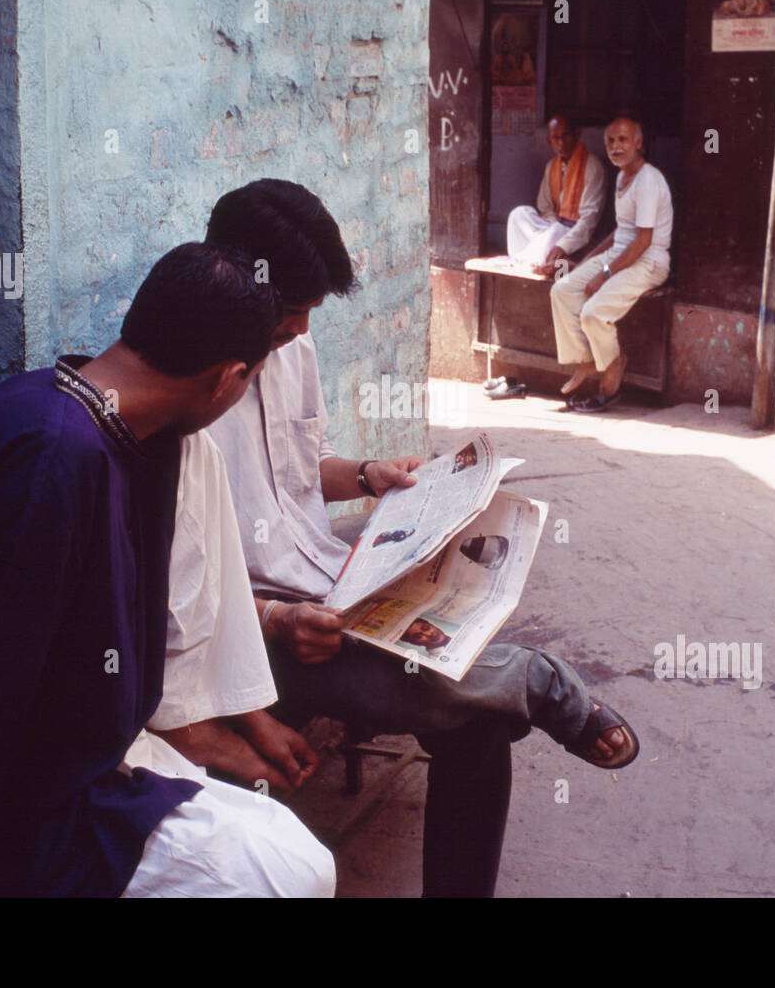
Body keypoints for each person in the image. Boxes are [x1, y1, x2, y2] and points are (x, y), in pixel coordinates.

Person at [0, 242, 333, 897]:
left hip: (72, 754)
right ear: (225, 379)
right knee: (281, 876)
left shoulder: (82, 412)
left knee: (295, 851)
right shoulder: (54, 458)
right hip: (6, 797)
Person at [202, 178, 640, 898]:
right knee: (484, 704)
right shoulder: (196, 384)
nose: (301, 334)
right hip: (265, 634)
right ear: (232, 283)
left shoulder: (290, 355)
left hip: (327, 582)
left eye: (308, 316)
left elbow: (300, 470)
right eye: (288, 317)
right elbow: (170, 596)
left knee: (474, 723)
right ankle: (536, 679)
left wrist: (373, 475)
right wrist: (274, 619)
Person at [549, 116, 673, 412]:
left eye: (624, 140)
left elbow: (643, 240)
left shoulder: (649, 179)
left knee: (593, 313)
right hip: (621, 255)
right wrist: (587, 262)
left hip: (648, 262)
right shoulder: (621, 176)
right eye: (611, 141)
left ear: (639, 143)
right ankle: (588, 360)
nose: (616, 147)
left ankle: (615, 364)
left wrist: (604, 273)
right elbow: (622, 232)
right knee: (562, 290)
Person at [506, 113, 607, 276]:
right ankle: (532, 257)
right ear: (549, 141)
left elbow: (589, 221)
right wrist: (551, 228)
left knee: (555, 232)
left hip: (576, 234)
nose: (561, 143)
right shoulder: (551, 166)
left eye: (566, 136)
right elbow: (545, 207)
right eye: (556, 138)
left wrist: (563, 245)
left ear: (577, 134)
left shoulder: (592, 166)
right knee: (519, 214)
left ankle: (536, 260)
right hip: (553, 228)